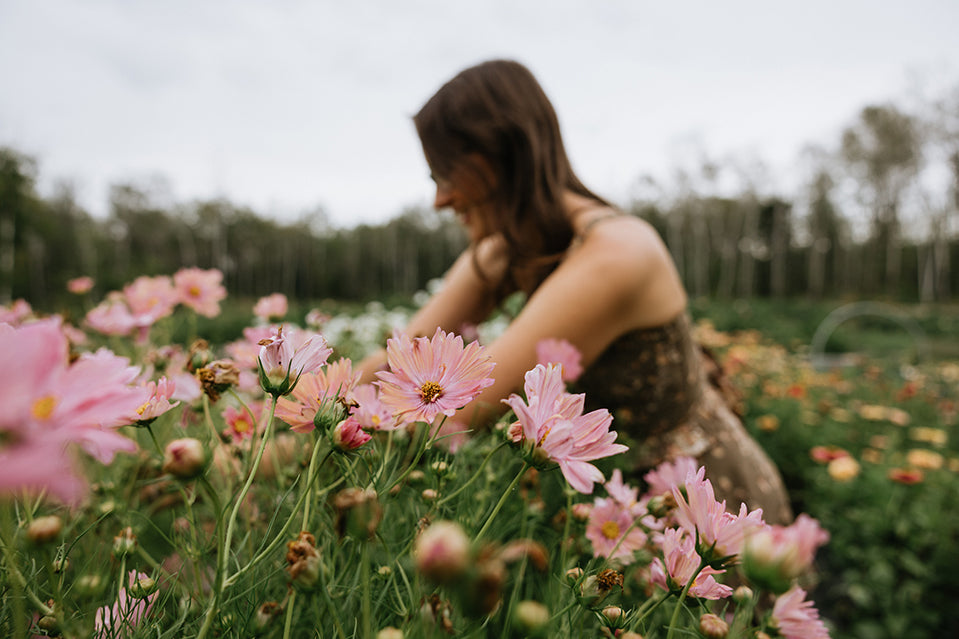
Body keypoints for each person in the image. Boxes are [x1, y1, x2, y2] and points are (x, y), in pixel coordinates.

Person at [357, 59, 792, 524]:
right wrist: (296, 405)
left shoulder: (615, 256)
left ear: (497, 160)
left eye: (445, 176)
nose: (439, 201)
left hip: (699, 504)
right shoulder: (507, 246)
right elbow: (398, 359)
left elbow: (462, 409)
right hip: (612, 500)